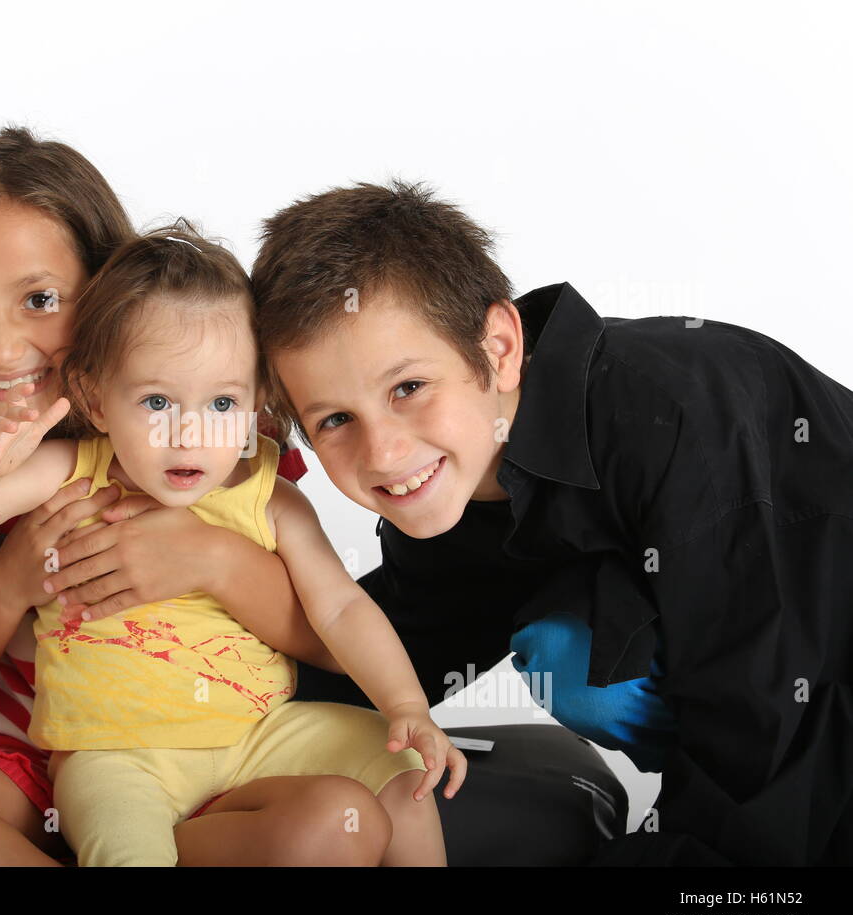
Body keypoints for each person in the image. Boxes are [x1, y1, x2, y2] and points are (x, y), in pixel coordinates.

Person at [249, 178, 853, 865]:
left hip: (804, 655)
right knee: (566, 656)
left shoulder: (670, 421)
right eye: (335, 420)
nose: (383, 452)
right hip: (755, 665)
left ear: (500, 347)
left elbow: (757, 711)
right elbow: (416, 635)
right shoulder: (460, 469)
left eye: (408, 388)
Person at [0, 128, 360, 866]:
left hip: (218, 759)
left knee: (332, 823)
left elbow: (330, 639)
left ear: (110, 292)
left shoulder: (213, 434)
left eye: (39, 299)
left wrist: (212, 560)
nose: (4, 349)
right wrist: (5, 587)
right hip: (34, 778)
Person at [0, 223, 465, 866]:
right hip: (115, 755)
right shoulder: (76, 470)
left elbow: (341, 609)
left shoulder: (269, 495)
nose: (188, 433)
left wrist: (407, 707)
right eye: (156, 400)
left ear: (258, 399)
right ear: (95, 399)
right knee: (129, 851)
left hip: (260, 733)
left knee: (401, 763)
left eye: (221, 403)